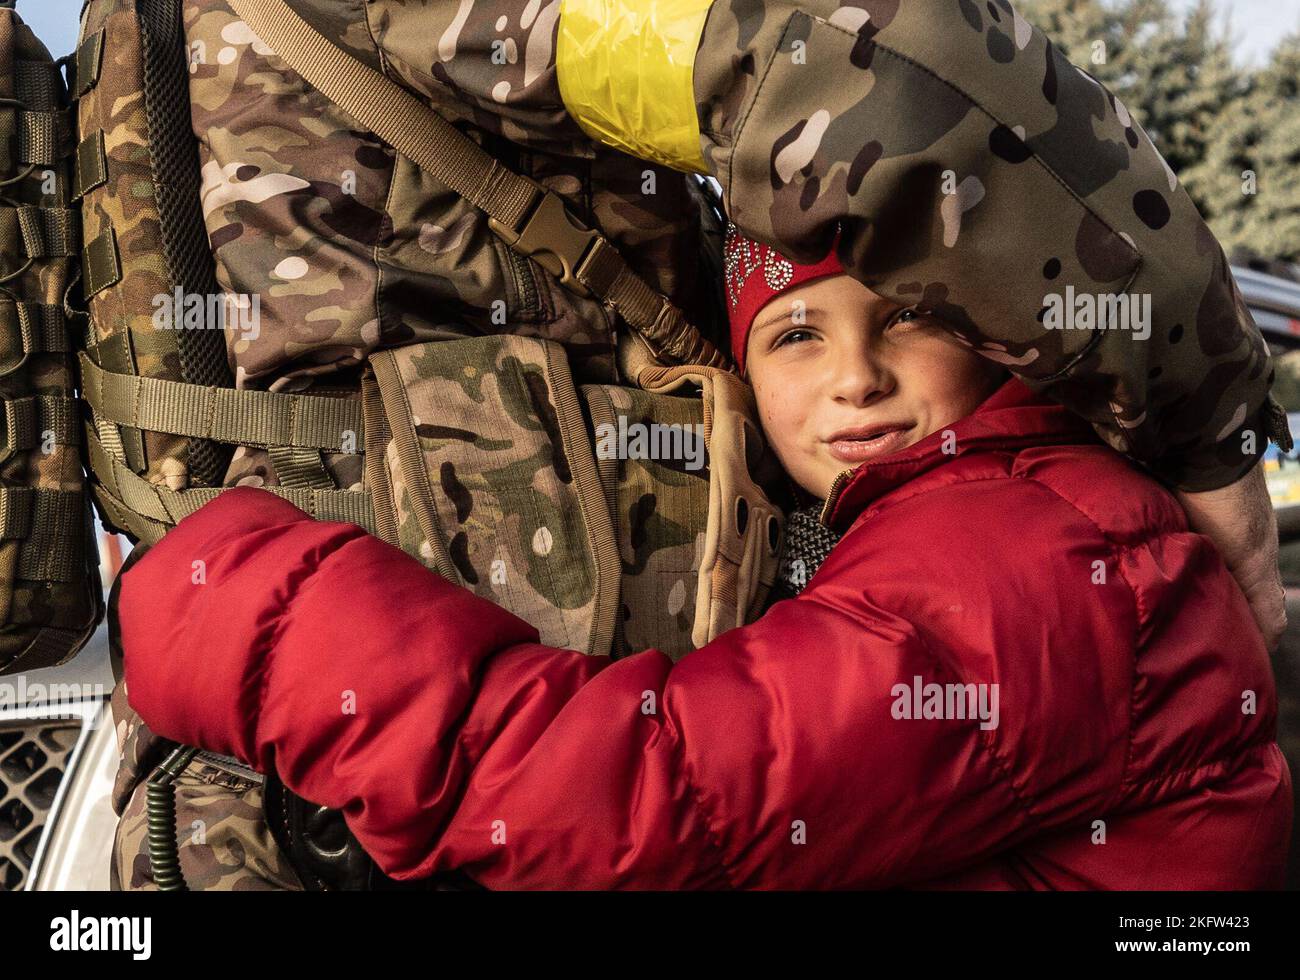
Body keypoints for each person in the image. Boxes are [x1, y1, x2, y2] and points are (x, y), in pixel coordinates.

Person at [114, 225, 1293, 889]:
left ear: (999, 342)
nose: (854, 375)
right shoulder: (989, 515)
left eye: (910, 317)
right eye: (794, 333)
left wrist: (245, 611)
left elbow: (653, 799)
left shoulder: (1031, 545)